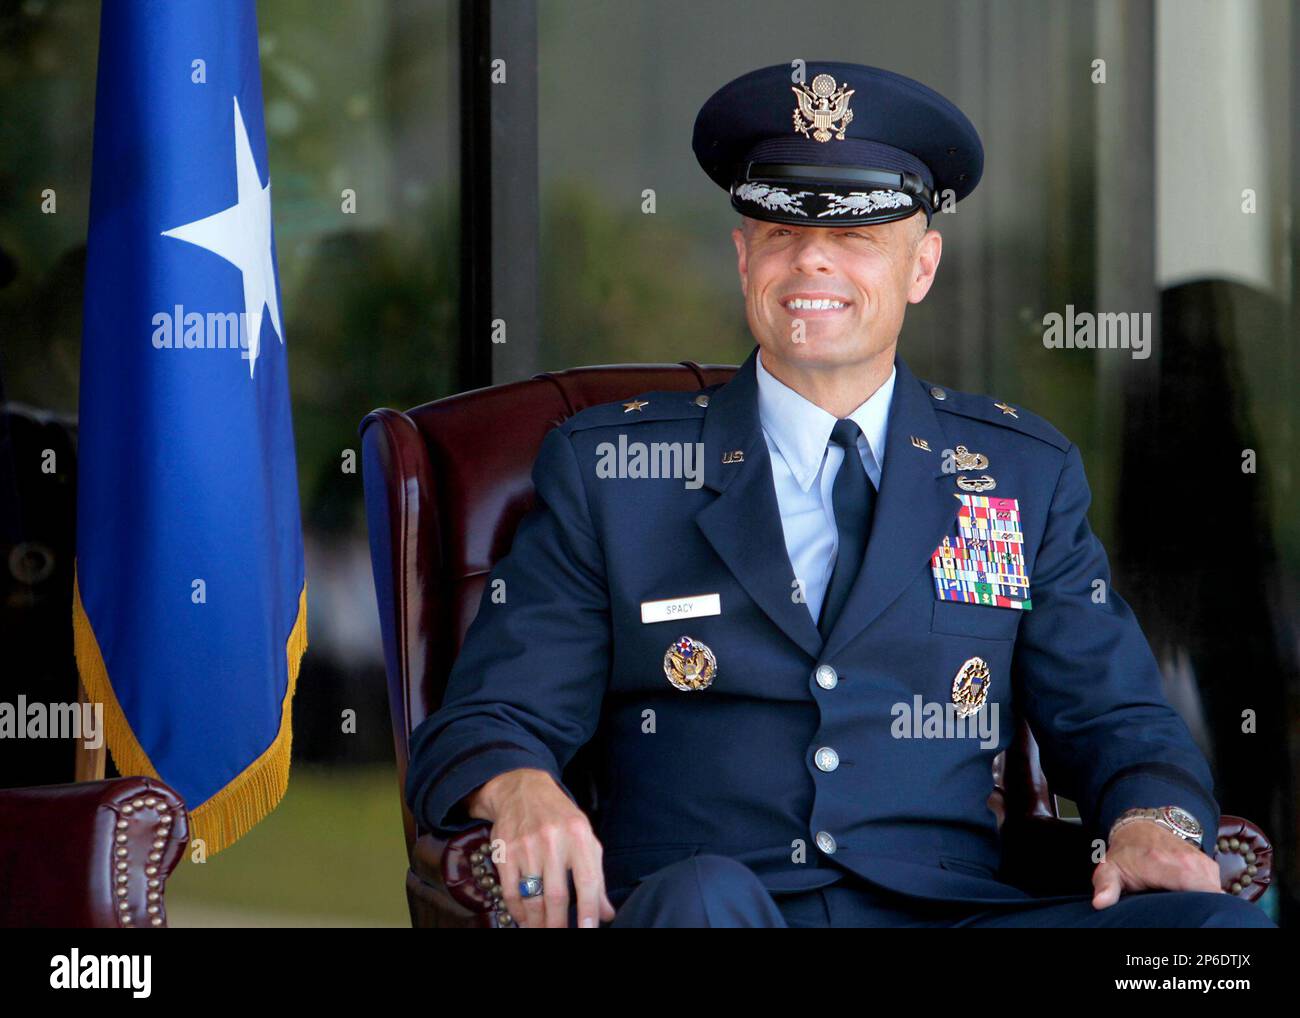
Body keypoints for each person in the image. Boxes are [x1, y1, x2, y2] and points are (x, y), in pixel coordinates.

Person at [404, 61, 1274, 928]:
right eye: (778, 230)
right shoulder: (611, 475)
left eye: (856, 234)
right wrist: (519, 789)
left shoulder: (1020, 475)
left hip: (952, 915)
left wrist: (1149, 823)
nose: (810, 255)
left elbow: (1118, 717)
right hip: (720, 909)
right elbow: (493, 713)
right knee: (706, 905)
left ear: (921, 266)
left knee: (1213, 935)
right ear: (744, 257)